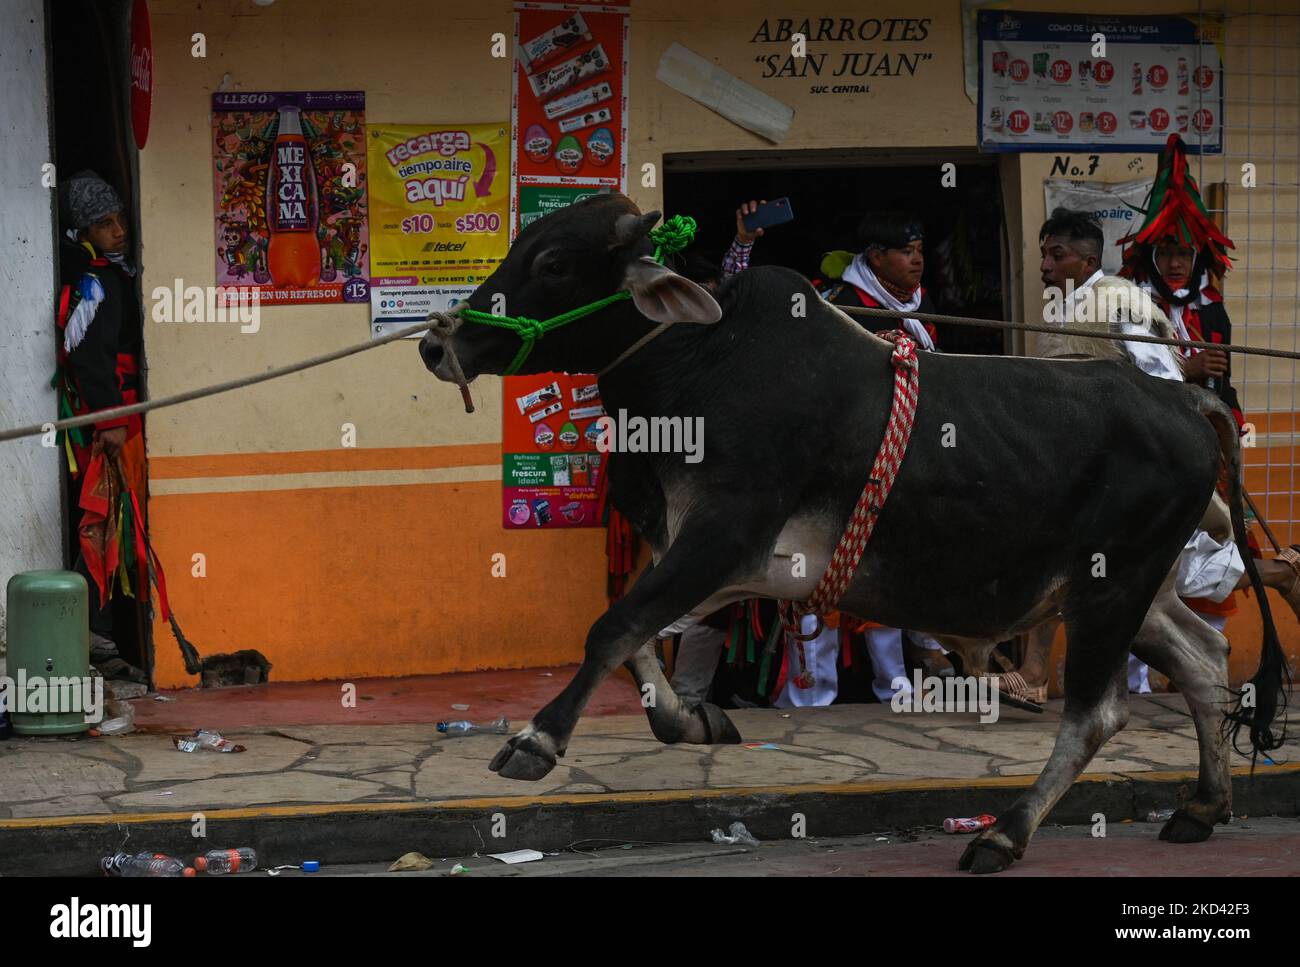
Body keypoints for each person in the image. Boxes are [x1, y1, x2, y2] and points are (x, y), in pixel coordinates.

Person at [55, 171, 148, 683]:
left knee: (116, 526)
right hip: (108, 423)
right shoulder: (91, 280)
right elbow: (90, 357)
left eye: (120, 221)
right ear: (84, 231)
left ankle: (98, 635)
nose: (118, 231)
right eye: (104, 224)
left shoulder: (115, 272)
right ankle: (94, 637)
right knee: (101, 525)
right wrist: (109, 419)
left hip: (125, 418)